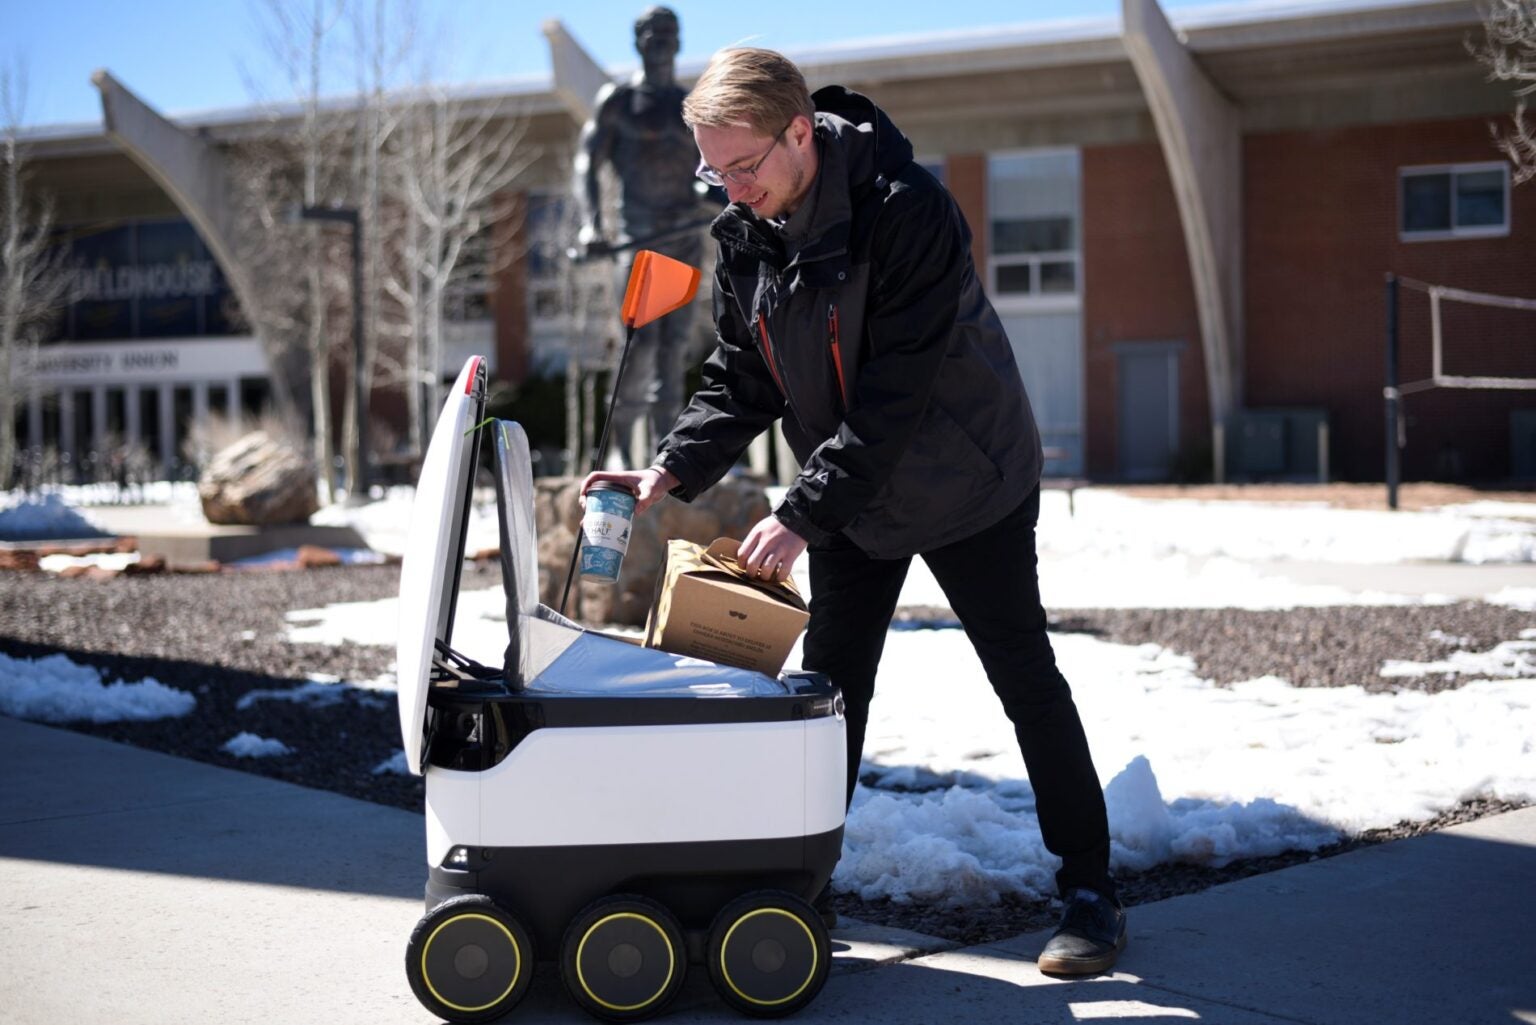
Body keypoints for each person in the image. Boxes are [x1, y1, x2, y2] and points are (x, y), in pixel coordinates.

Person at [581, 47, 1125, 975]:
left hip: (968, 479)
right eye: (716, 170)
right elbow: (741, 378)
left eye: (743, 166)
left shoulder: (908, 212)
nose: (732, 188)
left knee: (1023, 675)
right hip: (855, 497)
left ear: (800, 132)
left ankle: (1090, 890)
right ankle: (802, 894)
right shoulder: (745, 235)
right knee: (829, 698)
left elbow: (892, 399)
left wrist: (800, 514)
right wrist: (666, 470)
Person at [574, 6, 713, 468]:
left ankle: (664, 459)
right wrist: (592, 222)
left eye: (669, 33)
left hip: (684, 236)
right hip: (639, 241)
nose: (661, 41)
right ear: (638, 42)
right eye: (652, 34)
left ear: (680, 41)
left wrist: (707, 189)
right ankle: (617, 451)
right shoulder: (619, 100)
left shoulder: (693, 105)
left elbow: (711, 167)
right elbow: (586, 164)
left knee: (674, 351)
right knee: (640, 346)